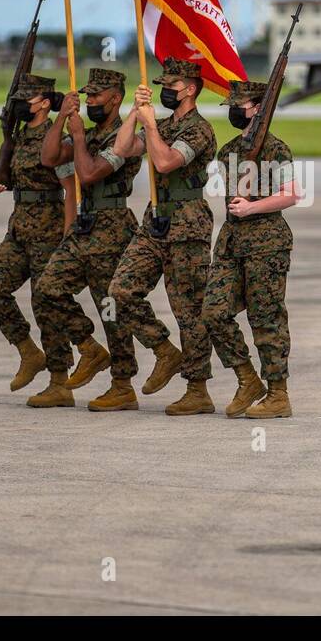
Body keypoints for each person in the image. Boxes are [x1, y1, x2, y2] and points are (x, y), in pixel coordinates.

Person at [34, 68, 150, 411]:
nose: (91, 101)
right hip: (86, 224)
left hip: (113, 225)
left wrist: (79, 137)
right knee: (48, 288)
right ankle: (88, 347)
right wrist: (62, 119)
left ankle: (122, 384)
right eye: (87, 96)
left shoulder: (123, 137)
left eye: (96, 96)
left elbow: (88, 173)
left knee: (110, 308)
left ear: (116, 98)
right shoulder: (92, 130)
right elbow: (49, 158)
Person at [109, 58, 217, 415]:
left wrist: (152, 127)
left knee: (189, 310)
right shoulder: (163, 124)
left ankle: (198, 389)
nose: (164, 90)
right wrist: (135, 114)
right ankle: (165, 350)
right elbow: (123, 150)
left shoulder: (199, 129)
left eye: (171, 85)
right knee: (121, 291)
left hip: (187, 225)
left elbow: (166, 163)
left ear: (189, 89)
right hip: (156, 221)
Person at [0, 74, 92, 400]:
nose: (20, 104)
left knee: (45, 304)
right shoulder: (18, 136)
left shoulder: (55, 139)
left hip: (49, 230)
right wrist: (3, 183)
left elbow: (69, 188)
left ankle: (59, 381)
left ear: (43, 102)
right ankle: (29, 351)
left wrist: (69, 235)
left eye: (26, 98)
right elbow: (22, 178)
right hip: (20, 228)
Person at [203, 79, 302, 418]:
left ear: (259, 108)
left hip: (266, 244)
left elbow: (292, 194)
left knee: (266, 318)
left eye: (240, 104)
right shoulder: (228, 151)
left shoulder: (277, 149)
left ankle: (278, 394)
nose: (233, 110)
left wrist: (253, 207)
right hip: (232, 243)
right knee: (213, 312)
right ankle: (247, 379)